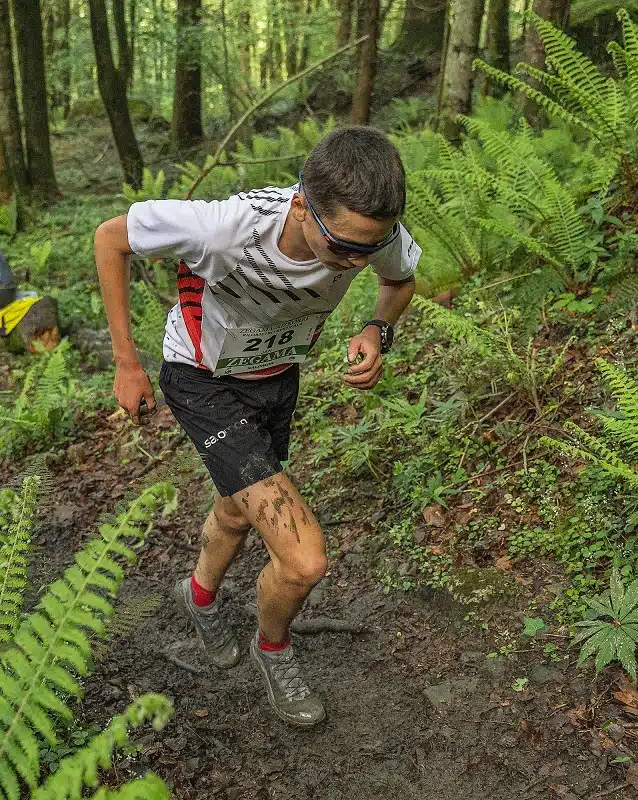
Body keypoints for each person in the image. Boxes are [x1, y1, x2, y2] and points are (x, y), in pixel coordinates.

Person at [93, 126, 420, 727]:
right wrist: (126, 362)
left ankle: (198, 597)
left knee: (239, 508)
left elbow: (399, 280)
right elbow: (112, 238)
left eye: (365, 250)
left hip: (275, 378)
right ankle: (274, 650)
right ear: (301, 204)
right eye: (342, 246)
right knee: (302, 561)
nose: (354, 261)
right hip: (202, 380)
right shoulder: (224, 229)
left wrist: (378, 330)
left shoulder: (377, 238)